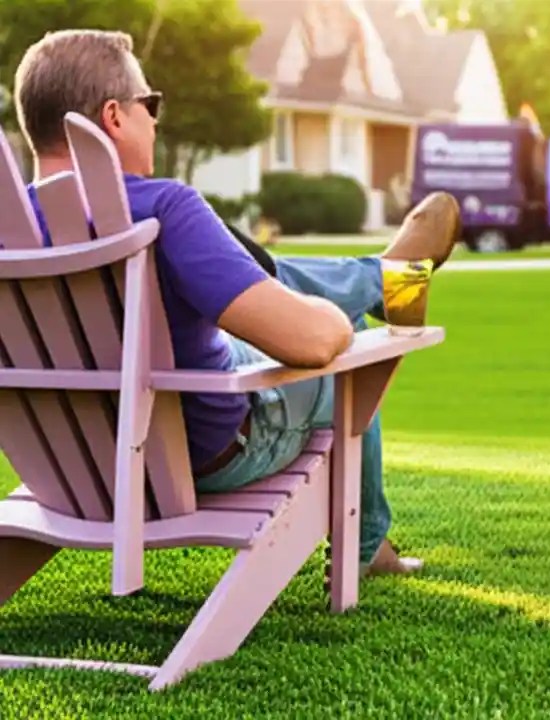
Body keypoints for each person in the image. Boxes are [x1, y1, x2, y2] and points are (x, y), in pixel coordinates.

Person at [11, 29, 461, 576]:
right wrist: (332, 321)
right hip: (200, 452)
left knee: (271, 291)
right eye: (148, 105)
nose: (155, 120)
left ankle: (384, 279)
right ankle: (389, 284)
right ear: (113, 116)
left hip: (62, 465)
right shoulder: (164, 210)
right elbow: (313, 343)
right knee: (349, 352)